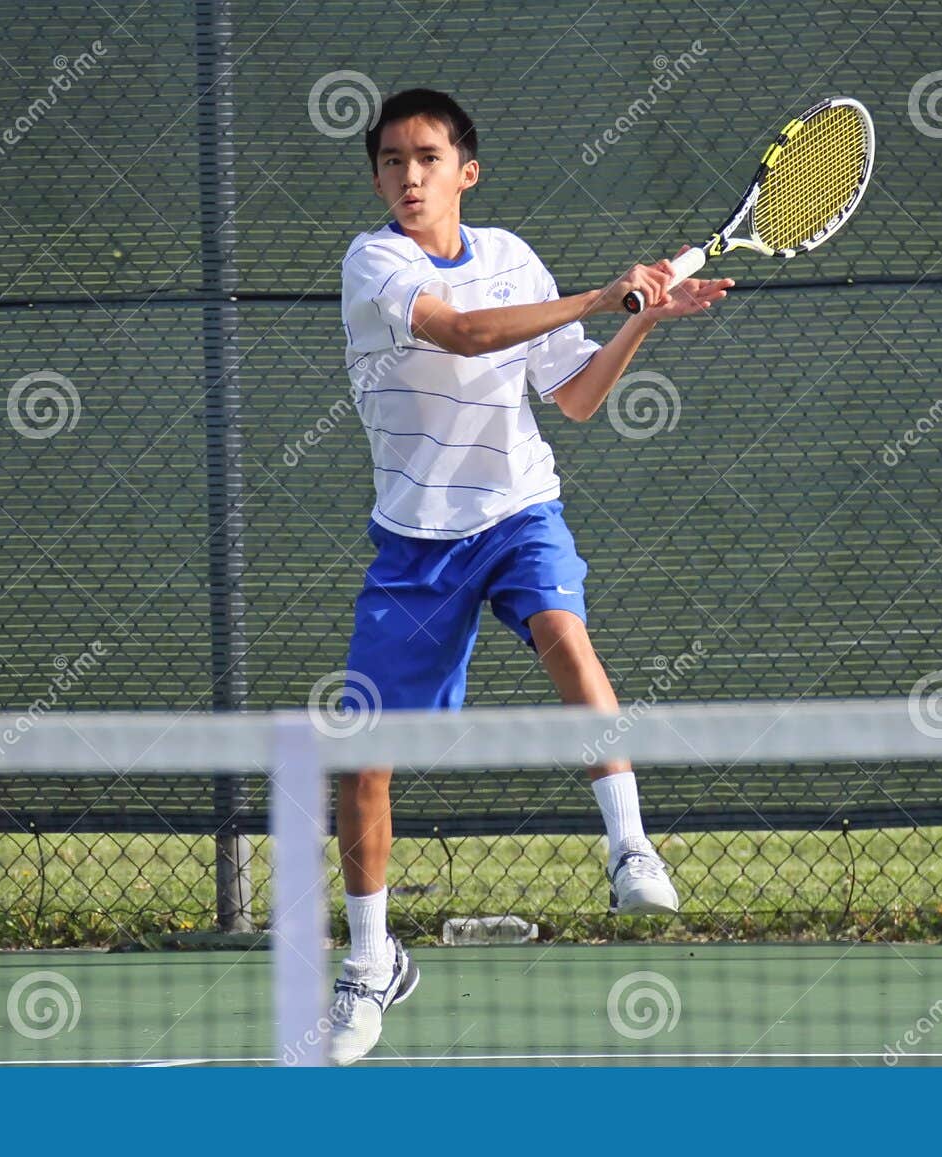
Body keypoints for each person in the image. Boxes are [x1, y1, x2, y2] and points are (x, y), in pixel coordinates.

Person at [328, 87, 732, 1065]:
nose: (409, 175)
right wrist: (603, 295)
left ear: (466, 170)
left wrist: (642, 320)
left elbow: (579, 395)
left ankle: (630, 844)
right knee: (359, 758)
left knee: (562, 633)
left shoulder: (510, 256)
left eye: (427, 157)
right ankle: (372, 959)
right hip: (414, 541)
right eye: (391, 160)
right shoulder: (372, 261)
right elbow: (463, 334)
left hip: (516, 510)